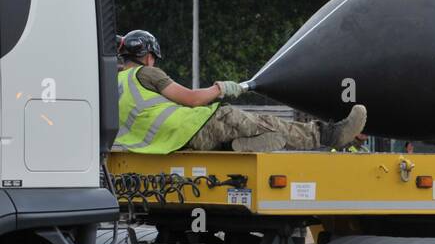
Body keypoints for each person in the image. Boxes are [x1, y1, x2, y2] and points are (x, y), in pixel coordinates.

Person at [114, 29, 367, 153]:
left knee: (259, 129)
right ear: (147, 57)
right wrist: (220, 88)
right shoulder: (145, 73)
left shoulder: (111, 85)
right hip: (197, 126)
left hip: (174, 146)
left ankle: (236, 144)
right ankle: (330, 135)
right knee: (265, 122)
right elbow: (192, 99)